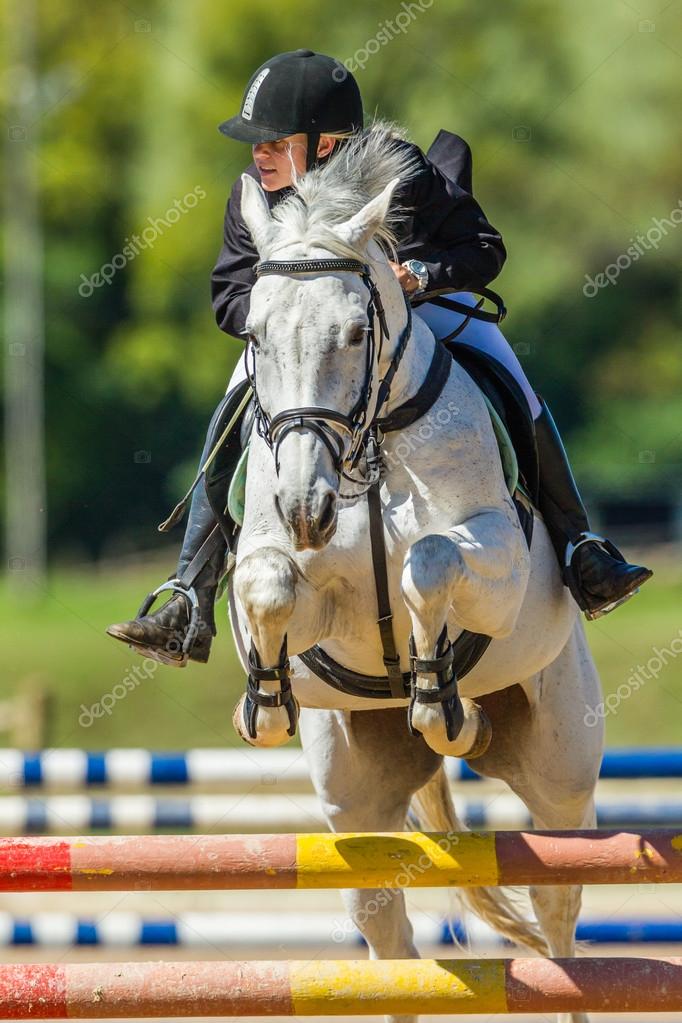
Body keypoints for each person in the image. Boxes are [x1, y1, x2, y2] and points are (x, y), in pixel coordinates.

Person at [107, 49, 651, 666]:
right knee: (232, 404)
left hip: (422, 315)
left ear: (325, 142)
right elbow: (229, 297)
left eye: (272, 142)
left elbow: (483, 249)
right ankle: (189, 596)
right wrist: (283, 313)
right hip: (309, 343)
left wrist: (418, 274)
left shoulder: (401, 171)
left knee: (508, 375)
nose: (257, 155)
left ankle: (581, 546)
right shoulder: (254, 198)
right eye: (255, 144)